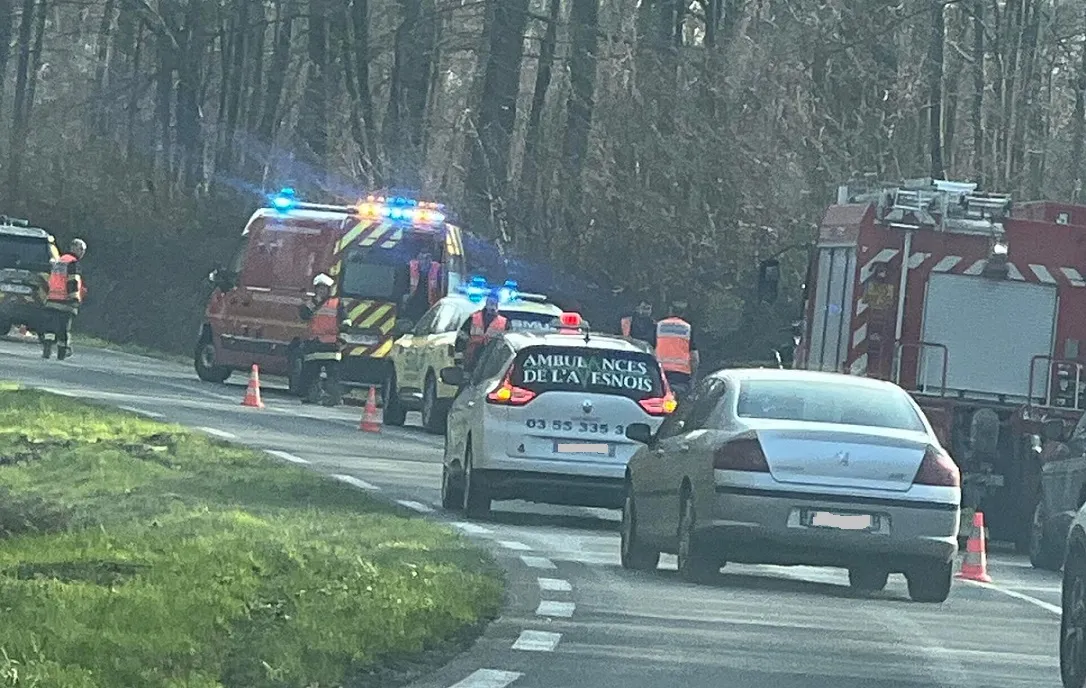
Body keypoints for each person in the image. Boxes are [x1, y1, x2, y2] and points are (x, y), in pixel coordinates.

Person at [298, 273, 349, 405]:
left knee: (333, 375)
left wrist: (342, 339)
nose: (322, 291)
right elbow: (304, 315)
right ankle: (309, 396)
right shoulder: (311, 303)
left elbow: (346, 321)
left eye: (324, 288)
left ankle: (333, 398)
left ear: (329, 289)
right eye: (319, 288)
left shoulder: (337, 303)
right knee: (309, 373)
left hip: (331, 345)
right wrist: (315, 302)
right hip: (314, 344)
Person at [42, 238, 87, 360]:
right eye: (82, 250)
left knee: (50, 329)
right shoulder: (73, 263)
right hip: (65, 301)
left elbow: (51, 280)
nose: (82, 253)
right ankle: (62, 352)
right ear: (76, 249)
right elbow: (72, 281)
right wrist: (75, 298)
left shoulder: (59, 261)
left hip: (52, 299)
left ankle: (47, 350)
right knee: (63, 328)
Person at [455, 288, 507, 373]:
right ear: (486, 302)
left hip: (490, 367)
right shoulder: (473, 318)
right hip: (470, 363)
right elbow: (461, 339)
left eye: (494, 303)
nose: (492, 305)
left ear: (498, 304)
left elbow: (506, 347)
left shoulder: (503, 323)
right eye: (490, 302)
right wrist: (459, 363)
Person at [655, 300, 699, 398]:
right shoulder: (688, 328)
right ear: (683, 312)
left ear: (670, 310)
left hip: (660, 371)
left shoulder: (658, 326)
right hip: (681, 374)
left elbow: (649, 349)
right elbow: (694, 358)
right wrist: (693, 380)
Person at [403, 250, 442, 323]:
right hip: (413, 303)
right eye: (422, 258)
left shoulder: (437, 269)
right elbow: (403, 283)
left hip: (429, 305)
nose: (425, 261)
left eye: (427, 258)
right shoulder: (410, 268)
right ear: (418, 259)